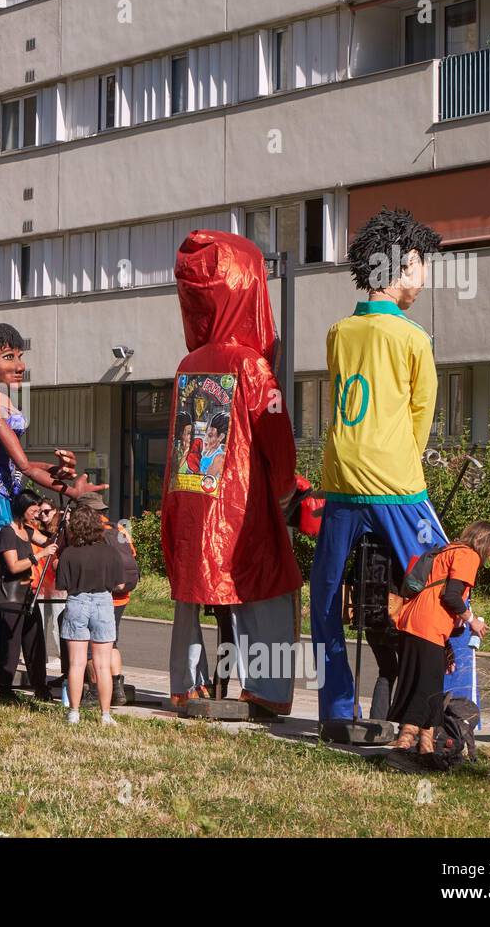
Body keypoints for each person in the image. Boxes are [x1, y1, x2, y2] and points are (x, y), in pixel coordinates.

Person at [309, 208, 448, 723]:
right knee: (437, 584)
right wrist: (402, 463)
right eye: (422, 264)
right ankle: (436, 703)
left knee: (324, 595)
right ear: (405, 265)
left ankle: (335, 710)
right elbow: (420, 416)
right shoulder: (414, 339)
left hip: (341, 478)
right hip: (395, 485)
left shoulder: (338, 332)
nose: (426, 276)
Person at [162, 231, 303, 716]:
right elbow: (275, 435)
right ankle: (262, 687)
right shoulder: (252, 365)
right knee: (265, 587)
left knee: (189, 597)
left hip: (192, 498)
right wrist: (287, 490)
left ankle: (186, 684)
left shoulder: (188, 364)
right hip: (242, 506)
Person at [0, 317, 105, 671]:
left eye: (19, 356)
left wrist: (55, 471)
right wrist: (70, 489)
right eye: (9, 357)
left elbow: (18, 463)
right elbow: (24, 466)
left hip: (1, 491)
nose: (19, 365)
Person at [389, 522, 490, 753]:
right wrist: (473, 621)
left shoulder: (448, 550)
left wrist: (446, 645)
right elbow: (451, 596)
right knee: (428, 689)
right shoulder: (468, 556)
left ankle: (426, 747)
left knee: (421, 685)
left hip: (412, 622)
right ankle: (404, 744)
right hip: (428, 625)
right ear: (486, 544)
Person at [58, 506, 125, 725]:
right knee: (102, 664)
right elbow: (120, 584)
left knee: (76, 663)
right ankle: (105, 714)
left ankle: (74, 712)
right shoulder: (110, 552)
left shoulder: (68, 554)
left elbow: (63, 584)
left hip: (77, 601)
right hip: (103, 602)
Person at [74, 492, 138, 707]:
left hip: (102, 593)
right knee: (112, 641)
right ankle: (117, 690)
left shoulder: (92, 532)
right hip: (123, 593)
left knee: (93, 645)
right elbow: (132, 554)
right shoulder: (120, 529)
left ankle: (94, 691)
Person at [0, 491, 55, 701]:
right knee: (11, 642)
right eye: (34, 510)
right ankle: (5, 687)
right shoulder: (7, 532)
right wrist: (38, 556)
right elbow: (13, 566)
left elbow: (48, 541)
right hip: (10, 594)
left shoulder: (27, 530)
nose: (36, 515)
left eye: (39, 511)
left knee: (35, 639)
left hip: (28, 593)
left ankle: (40, 685)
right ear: (22, 507)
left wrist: (58, 526)